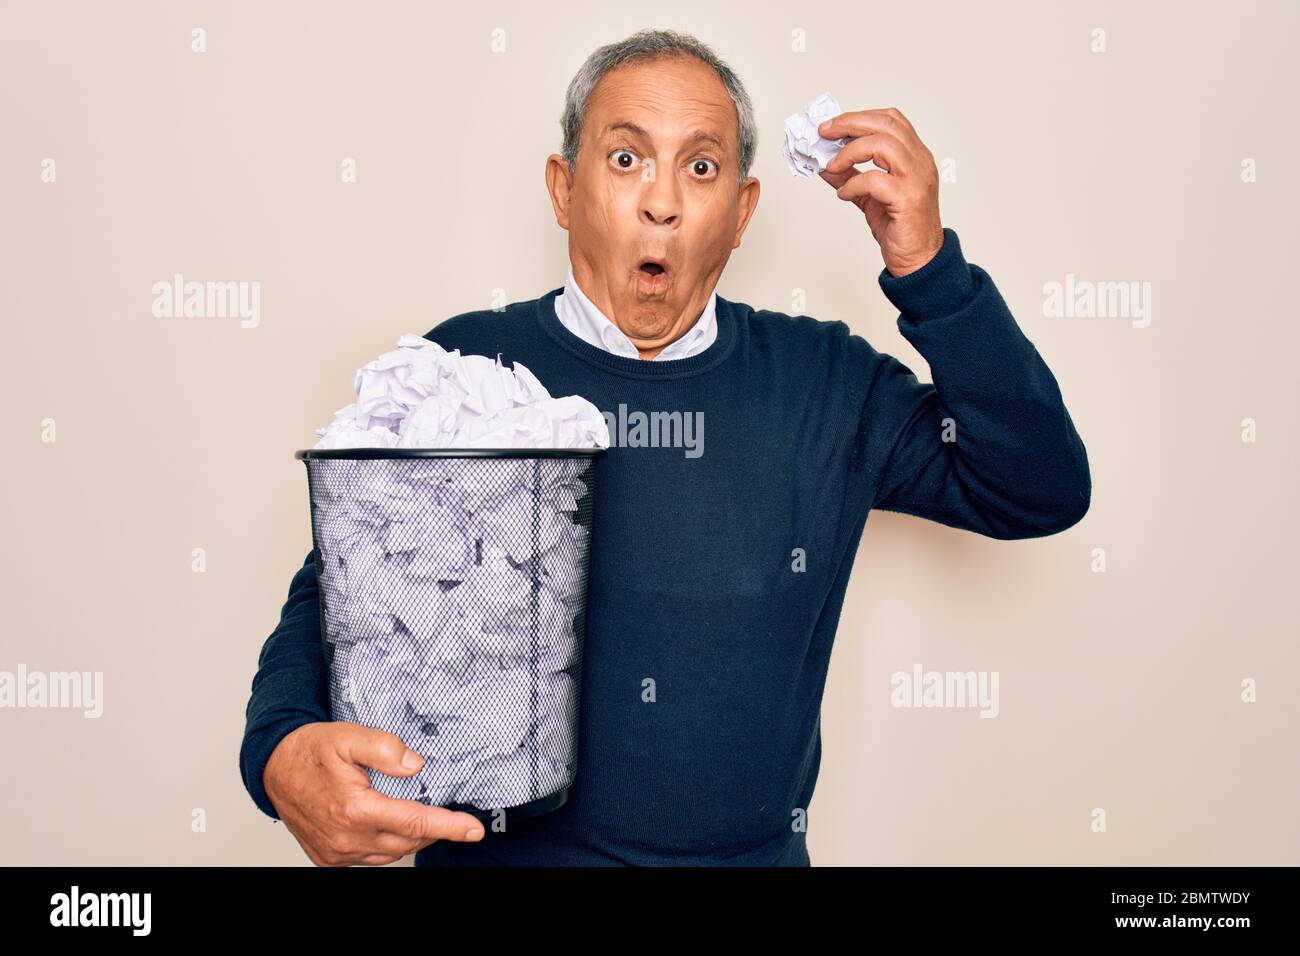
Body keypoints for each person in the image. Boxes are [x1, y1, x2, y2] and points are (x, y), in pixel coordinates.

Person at [240, 28, 1090, 866]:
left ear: (742, 212)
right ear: (563, 191)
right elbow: (343, 592)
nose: (662, 201)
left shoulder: (827, 381)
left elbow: (1036, 488)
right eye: (624, 159)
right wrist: (279, 750)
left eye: (701, 166)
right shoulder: (471, 369)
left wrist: (929, 268)